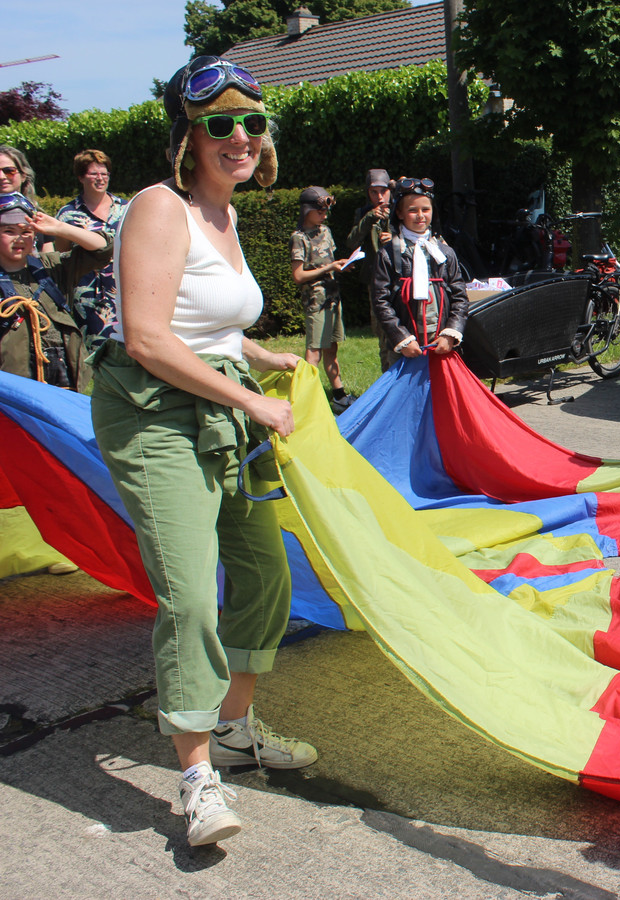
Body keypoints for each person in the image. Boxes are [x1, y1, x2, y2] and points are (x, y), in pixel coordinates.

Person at [89, 56, 317, 849]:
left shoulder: (224, 218)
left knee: (264, 575)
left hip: (221, 408)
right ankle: (195, 779)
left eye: (253, 123)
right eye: (220, 124)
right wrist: (252, 398)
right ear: (188, 137)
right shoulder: (158, 206)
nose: (241, 138)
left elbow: (210, 325)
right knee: (189, 598)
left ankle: (232, 728)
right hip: (155, 416)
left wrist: (264, 360)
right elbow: (147, 336)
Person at [0, 191, 111, 392]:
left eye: (26, 231)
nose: (19, 238)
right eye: (9, 231)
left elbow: (103, 249)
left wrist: (60, 228)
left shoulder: (50, 266)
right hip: (14, 389)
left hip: (64, 381)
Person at [370, 176, 468, 369]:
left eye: (426, 209)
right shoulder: (388, 254)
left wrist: (450, 333)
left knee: (439, 395)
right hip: (405, 348)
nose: (420, 215)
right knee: (405, 397)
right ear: (399, 213)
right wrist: (402, 338)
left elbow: (460, 296)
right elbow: (380, 301)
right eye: (412, 210)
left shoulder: (444, 253)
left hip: (440, 344)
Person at [55, 149, 127, 352]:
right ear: (80, 177)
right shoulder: (69, 214)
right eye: (94, 174)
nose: (100, 178)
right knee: (96, 351)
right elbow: (62, 254)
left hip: (123, 288)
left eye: (104, 174)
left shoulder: (125, 208)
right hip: (88, 294)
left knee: (129, 348)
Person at [290, 185, 353, 410]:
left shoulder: (325, 231)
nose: (324, 216)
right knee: (314, 351)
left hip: (332, 295)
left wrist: (339, 267)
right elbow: (298, 275)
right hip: (315, 300)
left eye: (326, 212)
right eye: (320, 212)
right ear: (307, 210)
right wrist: (328, 268)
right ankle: (307, 401)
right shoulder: (299, 238)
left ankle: (339, 396)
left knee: (331, 348)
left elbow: (329, 262)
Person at [346, 168, 393, 369]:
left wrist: (395, 238)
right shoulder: (363, 213)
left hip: (400, 277)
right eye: (374, 192)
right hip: (376, 278)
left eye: (383, 191)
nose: (379, 197)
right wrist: (368, 220)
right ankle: (386, 374)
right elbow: (351, 242)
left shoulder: (402, 209)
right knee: (381, 328)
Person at [0, 145, 51, 252]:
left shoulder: (38, 216)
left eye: (9, 171)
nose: (1, 177)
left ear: (23, 175)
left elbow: (48, 259)